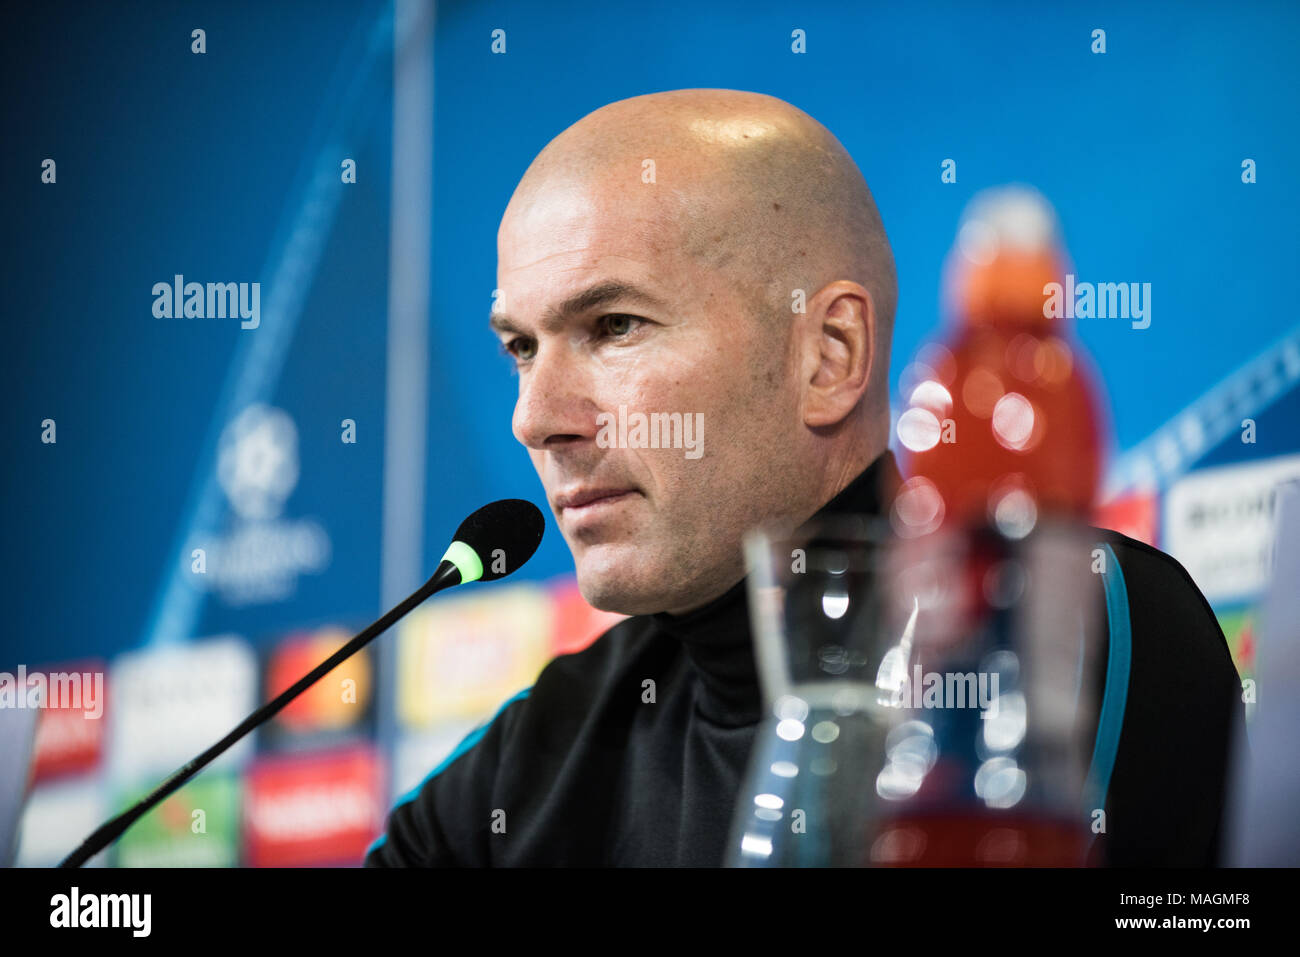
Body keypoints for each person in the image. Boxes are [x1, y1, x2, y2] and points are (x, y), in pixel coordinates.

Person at [365, 89, 1242, 867]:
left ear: (830, 355)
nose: (534, 417)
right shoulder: (526, 770)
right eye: (520, 347)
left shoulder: (1048, 618)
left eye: (614, 324)